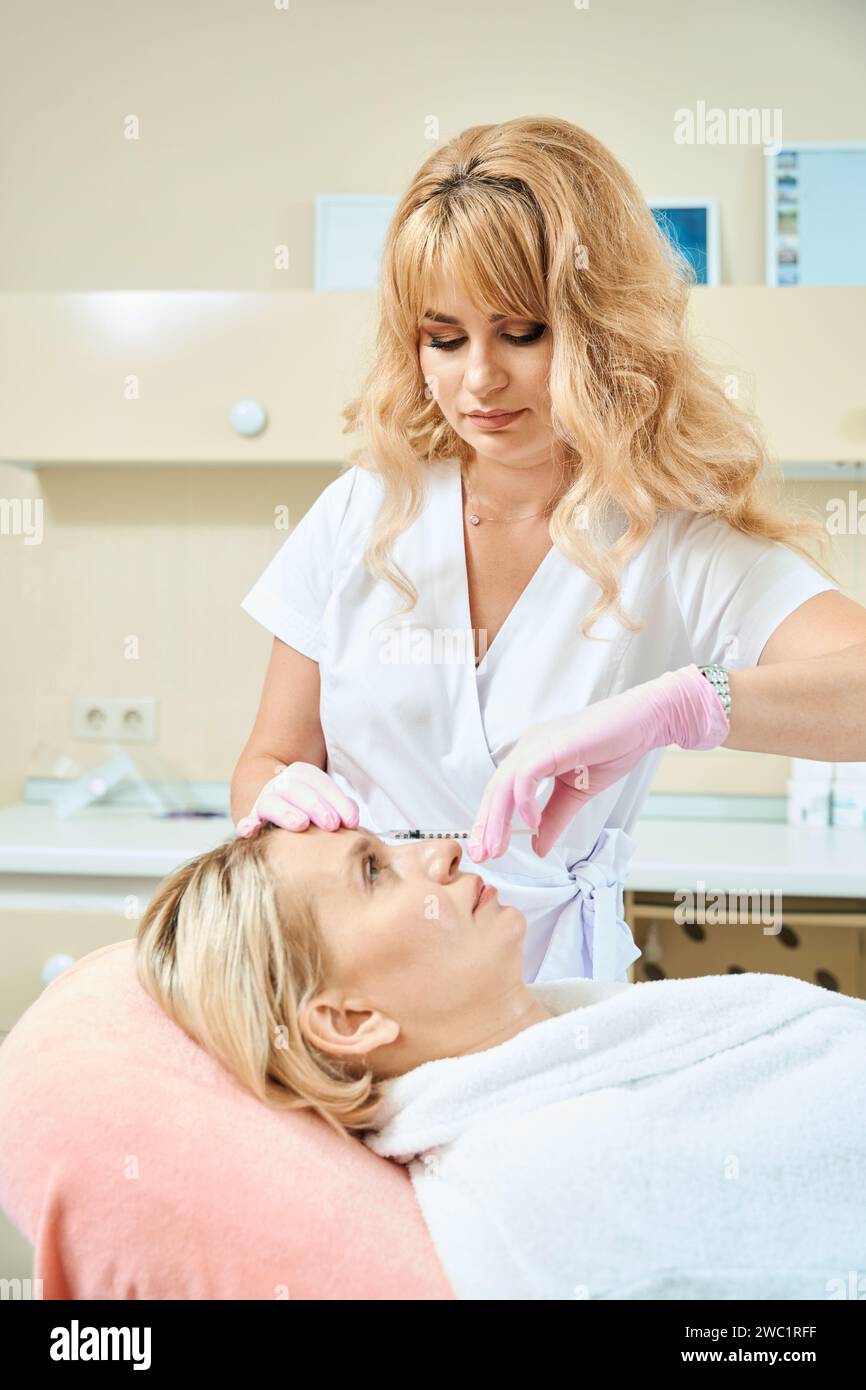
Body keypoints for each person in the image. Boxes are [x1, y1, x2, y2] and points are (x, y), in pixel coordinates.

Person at [231, 115, 866, 985]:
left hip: (552, 995)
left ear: (602, 329)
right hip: (356, 984)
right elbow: (270, 758)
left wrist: (687, 705)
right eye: (444, 339)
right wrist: (271, 800)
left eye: (521, 333)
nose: (479, 379)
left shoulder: (672, 538)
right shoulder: (363, 512)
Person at [136, 820, 866, 1300]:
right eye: (374, 872)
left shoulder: (599, 1036)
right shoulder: (544, 1193)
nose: (443, 851)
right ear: (351, 1019)